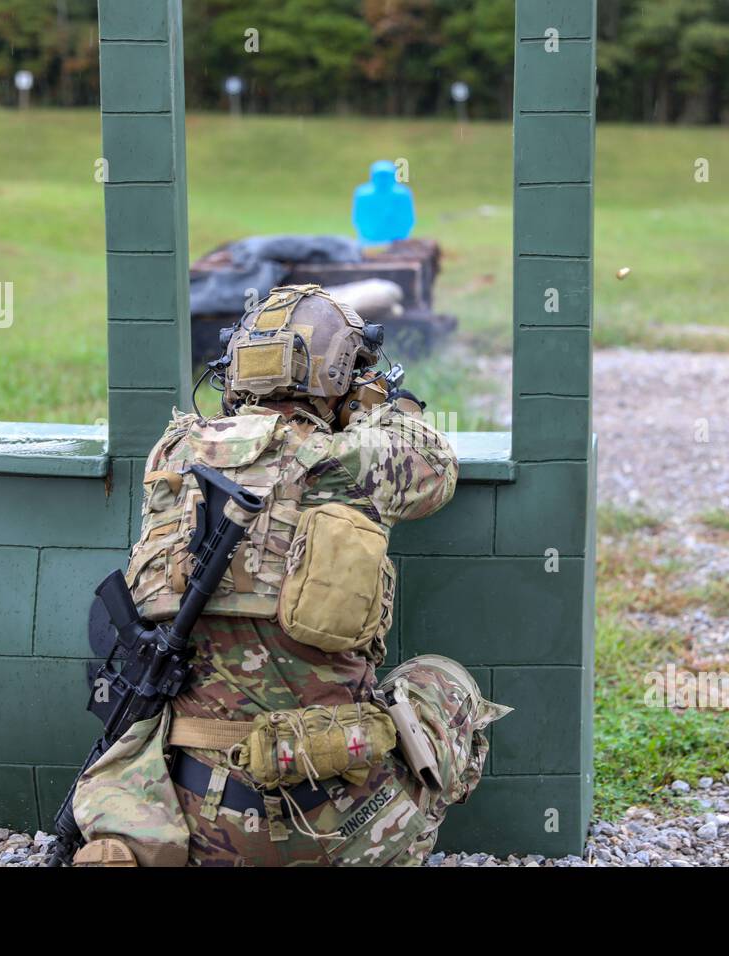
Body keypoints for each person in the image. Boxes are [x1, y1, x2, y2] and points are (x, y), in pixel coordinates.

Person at [71, 284, 509, 866]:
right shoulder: (353, 461)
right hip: (338, 828)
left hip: (192, 828)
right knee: (441, 683)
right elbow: (432, 458)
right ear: (338, 376)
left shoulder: (173, 456)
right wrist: (380, 406)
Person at [352, 160, 415, 244]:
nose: (383, 180)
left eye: (386, 176)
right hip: (369, 240)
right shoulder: (363, 195)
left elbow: (408, 219)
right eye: (379, 176)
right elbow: (359, 218)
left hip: (397, 240)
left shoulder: (402, 194)